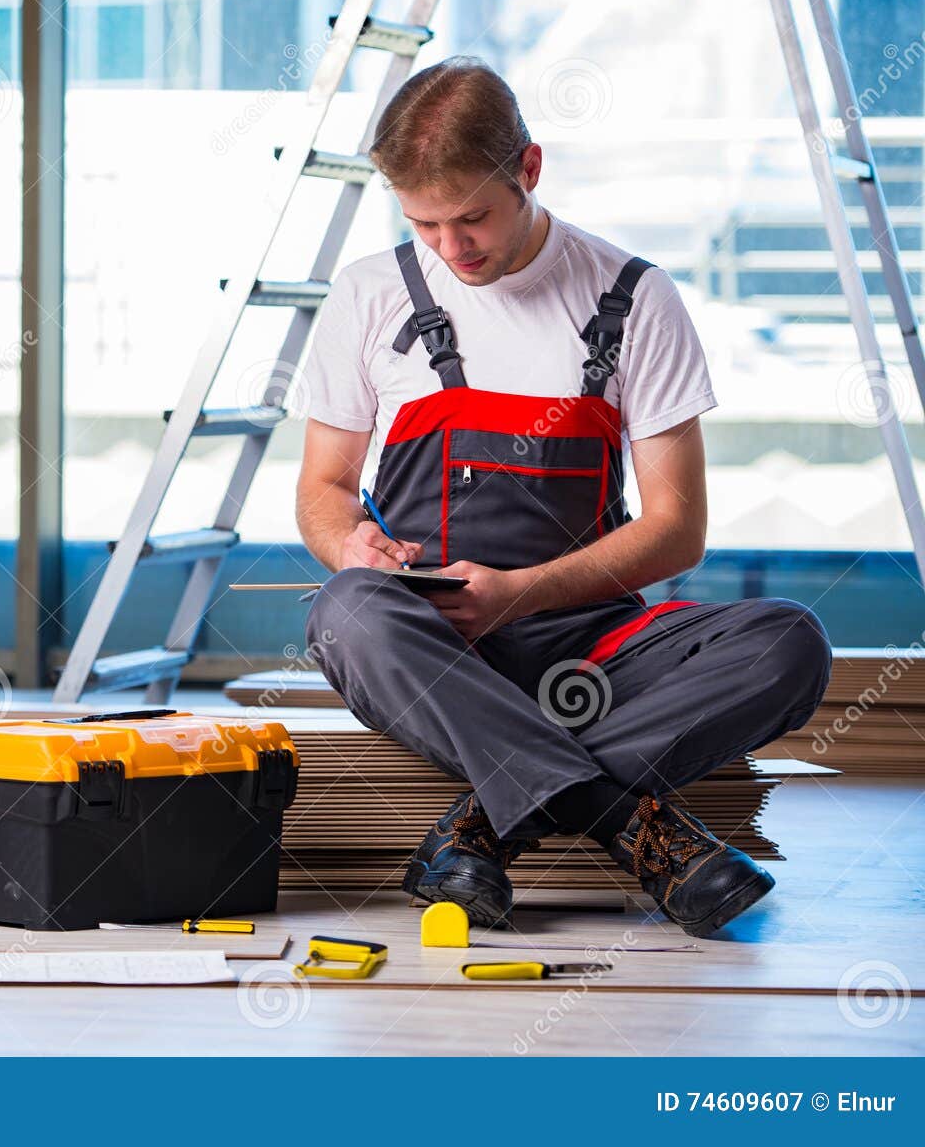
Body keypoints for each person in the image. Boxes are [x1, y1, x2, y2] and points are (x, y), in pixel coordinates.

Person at [295, 57, 832, 939]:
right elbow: (321, 490)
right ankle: (636, 826)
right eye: (424, 224)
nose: (452, 248)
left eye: (473, 217)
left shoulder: (633, 297)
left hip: (596, 651)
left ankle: (480, 829)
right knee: (347, 608)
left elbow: (676, 531)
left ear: (530, 169)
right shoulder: (367, 292)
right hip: (432, 646)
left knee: (789, 644)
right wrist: (349, 541)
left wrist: (525, 592)